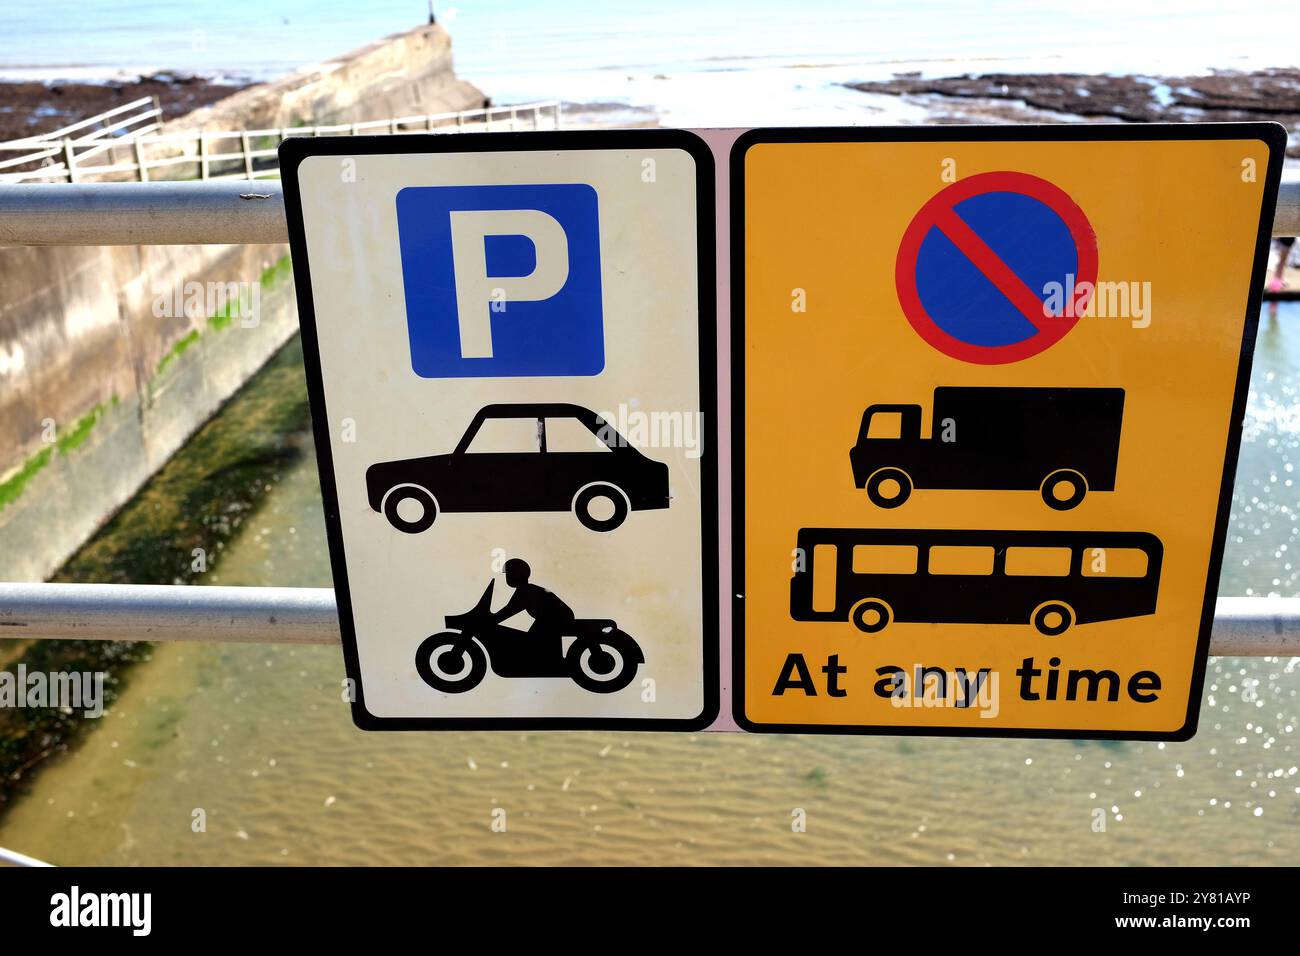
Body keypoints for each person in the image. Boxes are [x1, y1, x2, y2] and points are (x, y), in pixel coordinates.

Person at [490, 559, 574, 638]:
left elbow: (508, 611)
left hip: (556, 618)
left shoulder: (525, 591)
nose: (508, 576)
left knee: (531, 640)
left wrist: (489, 621)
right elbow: (509, 609)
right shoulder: (527, 589)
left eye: (510, 573)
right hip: (555, 617)